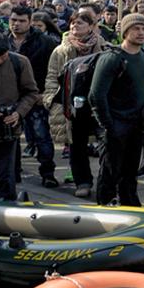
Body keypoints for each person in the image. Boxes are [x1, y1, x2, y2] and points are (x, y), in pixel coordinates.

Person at [87, 14, 144, 207]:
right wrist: (108, 125)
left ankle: (130, 205)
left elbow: (135, 85)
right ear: (125, 32)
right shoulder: (112, 58)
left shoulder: (143, 55)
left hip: (136, 124)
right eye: (135, 29)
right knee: (110, 171)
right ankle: (104, 207)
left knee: (131, 170)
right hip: (116, 124)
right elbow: (96, 95)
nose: (140, 33)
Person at [44, 11, 106, 198]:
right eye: (72, 23)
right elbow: (52, 76)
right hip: (72, 105)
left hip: (97, 105)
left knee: (106, 144)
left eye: (80, 23)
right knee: (76, 145)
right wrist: (50, 98)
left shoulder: (104, 47)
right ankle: (83, 182)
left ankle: (106, 181)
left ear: (91, 26)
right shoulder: (61, 50)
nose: (74, 27)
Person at [0, 31, 39, 200]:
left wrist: (19, 112)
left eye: (3, 56)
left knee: (6, 177)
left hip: (7, 129)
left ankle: (7, 218)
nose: (0, 60)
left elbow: (31, 93)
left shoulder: (20, 62)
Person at [8, 5, 58, 188]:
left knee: (42, 137)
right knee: (11, 139)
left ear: (30, 22)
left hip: (36, 98)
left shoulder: (45, 42)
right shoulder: (3, 41)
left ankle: (48, 173)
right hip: (10, 100)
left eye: (21, 21)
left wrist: (46, 93)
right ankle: (13, 173)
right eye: (13, 20)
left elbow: (55, 71)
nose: (16, 24)